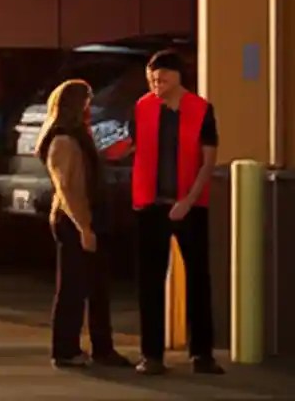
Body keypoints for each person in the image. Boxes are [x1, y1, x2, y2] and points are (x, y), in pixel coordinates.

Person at [128, 49, 226, 376]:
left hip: (190, 205)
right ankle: (151, 356)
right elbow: (129, 144)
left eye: (163, 77)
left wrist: (188, 200)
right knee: (150, 281)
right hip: (150, 205)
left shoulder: (201, 110)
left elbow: (208, 161)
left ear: (178, 77)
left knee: (198, 278)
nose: (157, 83)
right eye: (153, 78)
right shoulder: (142, 107)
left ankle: (202, 355)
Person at [37, 79, 131, 370]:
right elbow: (68, 189)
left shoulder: (79, 135)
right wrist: (84, 228)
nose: (92, 107)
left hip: (89, 218)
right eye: (87, 101)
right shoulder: (63, 140)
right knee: (73, 289)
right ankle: (65, 349)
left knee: (97, 287)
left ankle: (102, 348)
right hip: (75, 221)